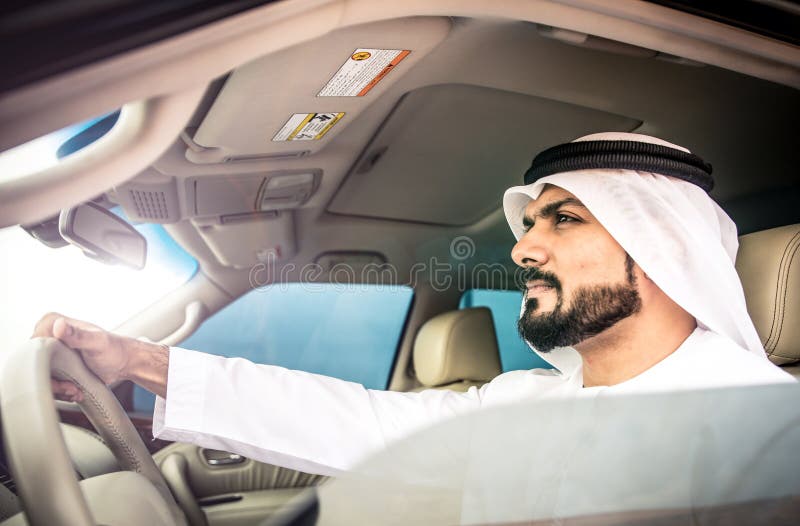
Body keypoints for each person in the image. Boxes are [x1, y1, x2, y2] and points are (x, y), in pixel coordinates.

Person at [33, 132, 794, 476]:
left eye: (565, 219)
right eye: (529, 225)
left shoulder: (763, 435)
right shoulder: (528, 399)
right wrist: (135, 360)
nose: (524, 249)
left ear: (660, 250)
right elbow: (356, 423)